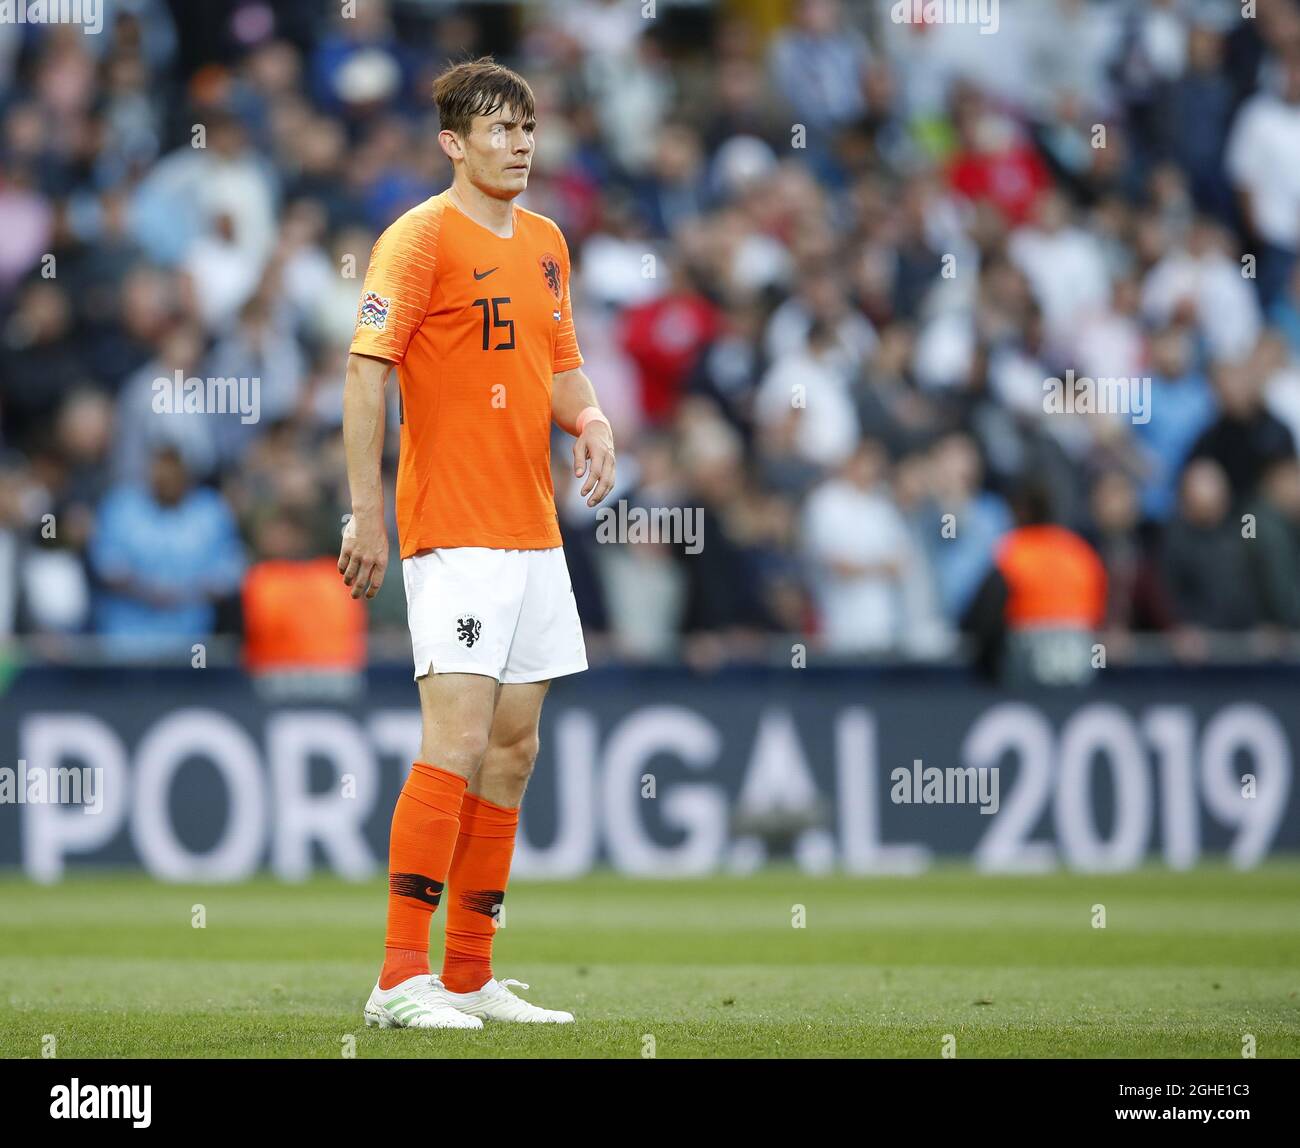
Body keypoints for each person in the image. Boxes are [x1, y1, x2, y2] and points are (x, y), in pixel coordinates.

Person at [338, 57, 615, 1030]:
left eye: (527, 127)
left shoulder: (546, 243)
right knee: (453, 741)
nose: (519, 143)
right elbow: (367, 372)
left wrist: (590, 419)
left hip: (534, 528)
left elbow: (561, 364)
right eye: (498, 129)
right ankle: (396, 976)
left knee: (513, 747)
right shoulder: (417, 240)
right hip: (452, 527)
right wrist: (365, 512)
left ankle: (466, 972)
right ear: (453, 142)